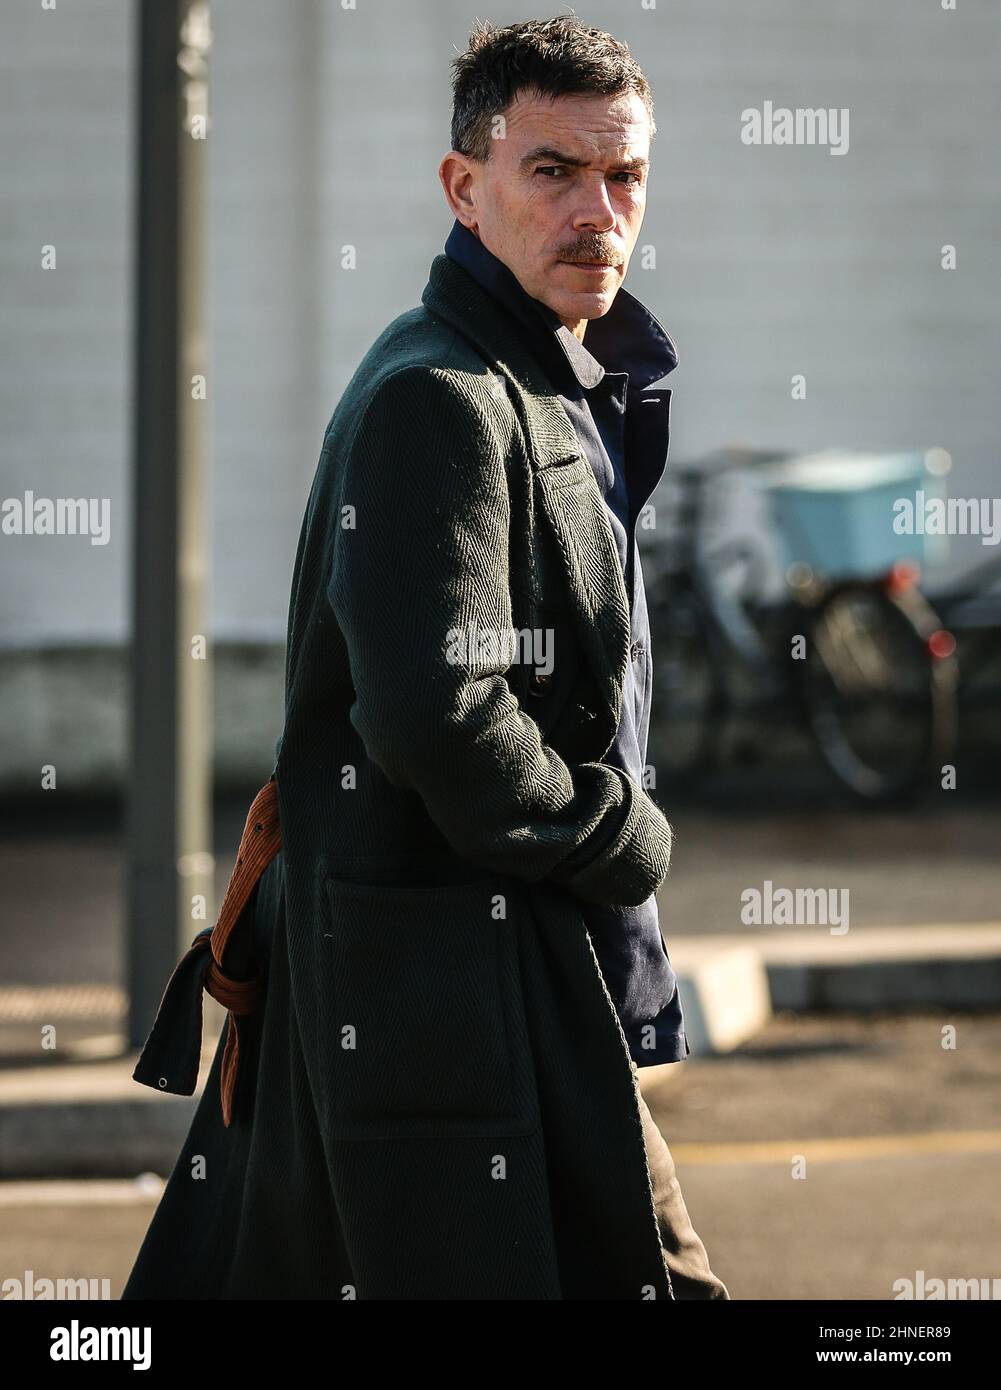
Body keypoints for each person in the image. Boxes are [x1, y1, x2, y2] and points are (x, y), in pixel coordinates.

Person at [123, 13, 729, 1301]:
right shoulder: (439, 398)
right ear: (467, 186)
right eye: (552, 171)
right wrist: (621, 837)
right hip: (447, 989)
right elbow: (439, 708)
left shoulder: (540, 373)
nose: (597, 211)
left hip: (486, 970)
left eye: (624, 176)